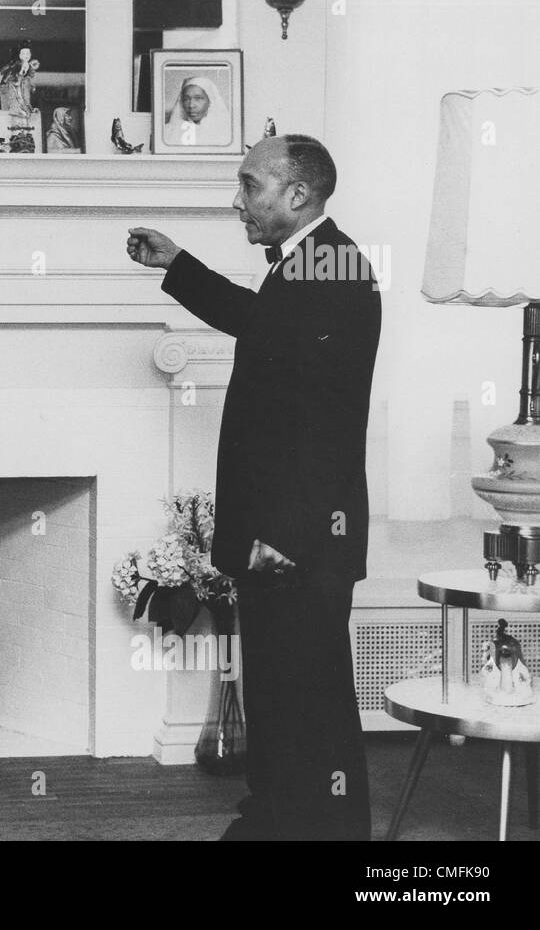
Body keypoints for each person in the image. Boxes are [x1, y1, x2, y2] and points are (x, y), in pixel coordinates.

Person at [126, 135, 381, 840]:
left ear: (296, 194)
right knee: (278, 694)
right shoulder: (309, 265)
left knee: (310, 700)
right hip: (284, 535)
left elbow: (326, 422)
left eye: (249, 185)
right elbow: (259, 322)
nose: (237, 201)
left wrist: (289, 535)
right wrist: (176, 264)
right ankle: (277, 817)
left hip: (300, 539)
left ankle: (317, 830)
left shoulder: (333, 267)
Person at [162, 75, 231, 147]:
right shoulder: (168, 132)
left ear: (210, 101)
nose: (191, 105)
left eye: (198, 98)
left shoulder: (225, 133)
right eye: (186, 99)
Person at [0, 42, 38, 123]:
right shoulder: (14, 67)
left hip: (24, 88)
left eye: (28, 53)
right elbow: (6, 83)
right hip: (15, 88)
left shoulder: (29, 67)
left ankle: (26, 108)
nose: (26, 55)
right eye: (23, 53)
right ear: (18, 55)